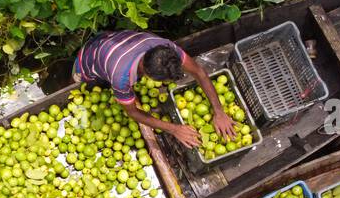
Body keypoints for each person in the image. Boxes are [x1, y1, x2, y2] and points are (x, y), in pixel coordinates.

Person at [72, 29, 236, 150]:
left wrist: (219, 111)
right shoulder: (120, 77)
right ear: (147, 74)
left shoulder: (164, 48)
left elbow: (198, 71)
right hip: (89, 61)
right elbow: (133, 112)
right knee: (80, 83)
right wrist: (174, 129)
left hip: (111, 40)